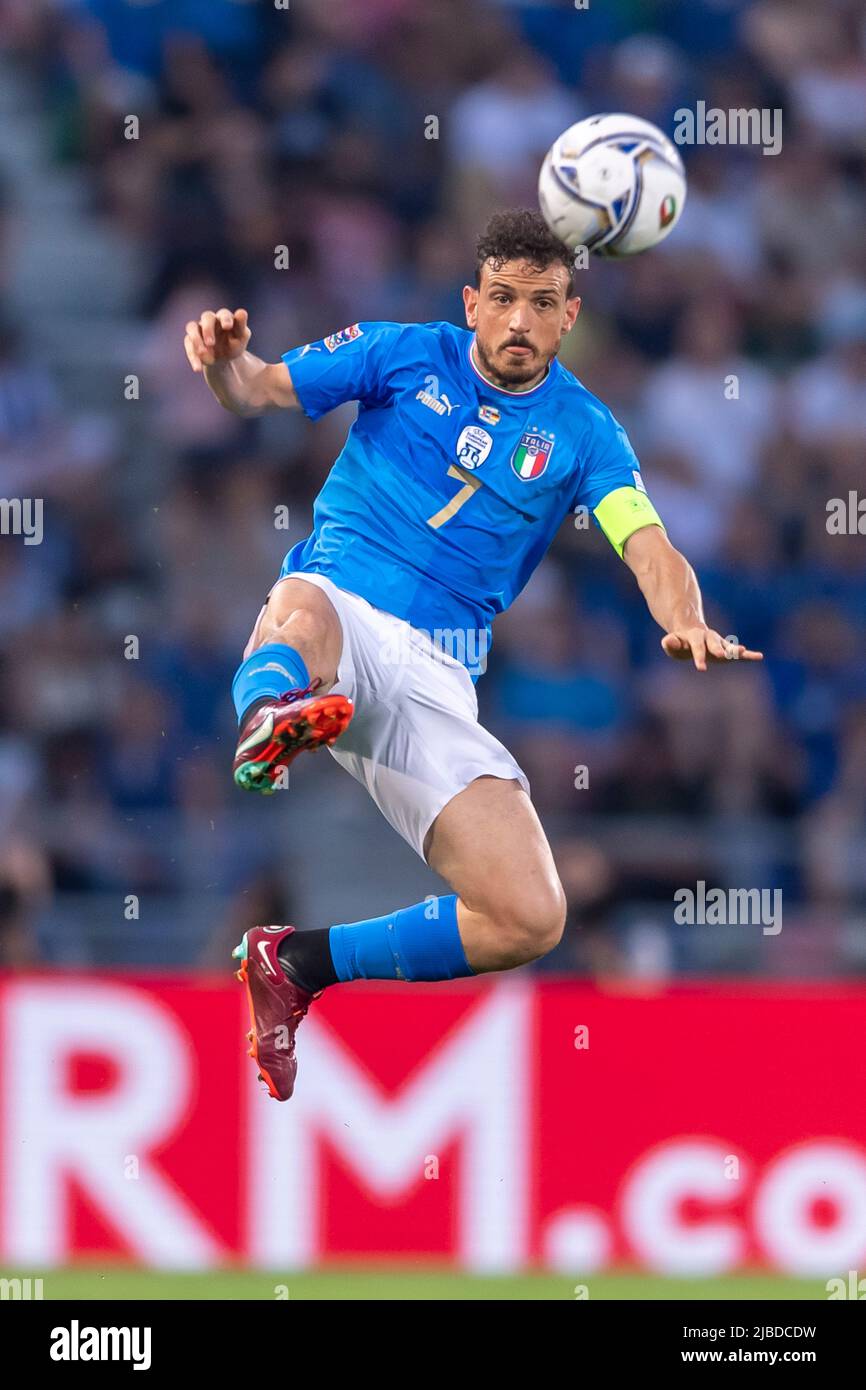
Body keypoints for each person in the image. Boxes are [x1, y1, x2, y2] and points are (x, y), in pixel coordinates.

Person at [183, 209, 762, 1100]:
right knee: (300, 608)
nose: (520, 321)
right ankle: (269, 717)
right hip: (344, 603)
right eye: (503, 299)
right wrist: (224, 360)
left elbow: (646, 543)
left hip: (438, 675)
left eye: (542, 303)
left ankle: (296, 962)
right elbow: (256, 389)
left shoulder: (586, 432)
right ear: (472, 302)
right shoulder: (401, 353)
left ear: (570, 315)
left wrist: (683, 617)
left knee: (530, 914)